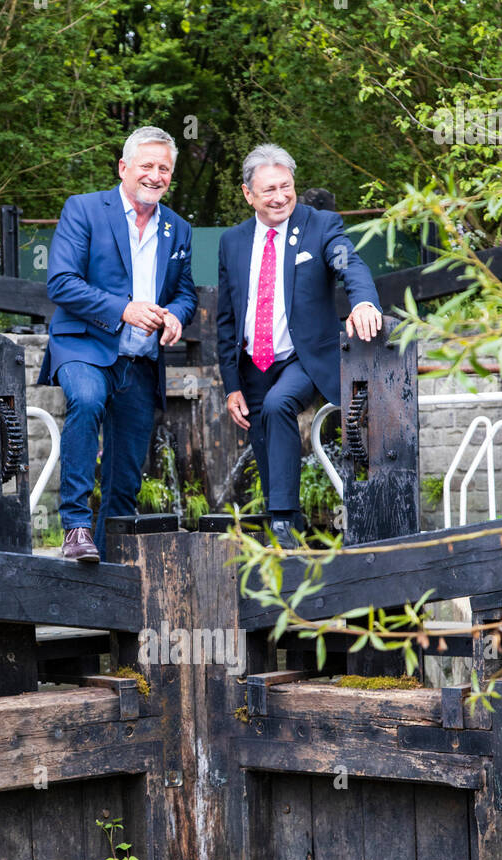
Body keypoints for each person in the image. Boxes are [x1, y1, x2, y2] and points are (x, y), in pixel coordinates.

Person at [37, 126, 198, 561]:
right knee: (87, 402)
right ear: (124, 167)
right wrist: (124, 309)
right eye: (146, 165)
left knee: (126, 469)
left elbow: (185, 293)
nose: (155, 175)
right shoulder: (84, 210)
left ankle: (110, 562)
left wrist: (176, 316)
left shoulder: (178, 229)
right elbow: (62, 283)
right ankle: (74, 526)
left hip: (142, 360)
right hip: (84, 345)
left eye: (164, 168)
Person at [216, 144, 383, 547]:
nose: (279, 197)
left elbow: (349, 263)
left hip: (303, 356)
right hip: (252, 362)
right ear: (247, 194)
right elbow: (225, 317)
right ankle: (286, 531)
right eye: (269, 189)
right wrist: (230, 384)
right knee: (264, 437)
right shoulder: (232, 242)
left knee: (279, 404)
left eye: (286, 186)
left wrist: (362, 300)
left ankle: (283, 521)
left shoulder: (321, 225)